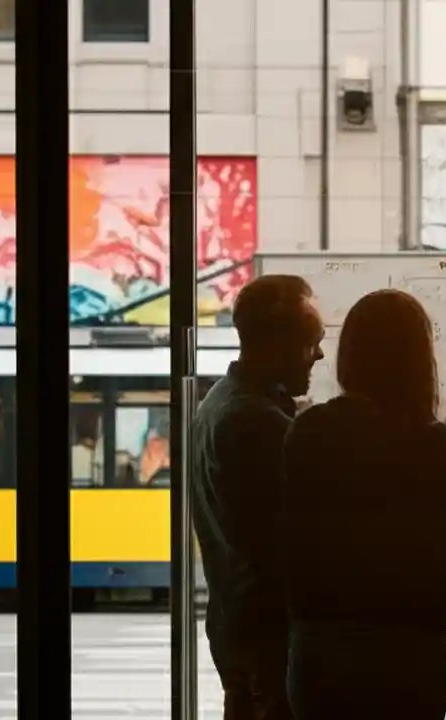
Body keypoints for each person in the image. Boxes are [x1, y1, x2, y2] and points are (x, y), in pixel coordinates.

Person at [281, 289, 446, 720]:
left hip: (320, 646)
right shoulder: (436, 442)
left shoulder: (307, 431)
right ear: (419, 360)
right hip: (409, 652)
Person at [190, 274, 326, 720]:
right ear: (278, 343)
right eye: (312, 342)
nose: (320, 354)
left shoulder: (220, 403)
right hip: (271, 634)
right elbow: (295, 538)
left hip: (237, 624)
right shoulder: (256, 422)